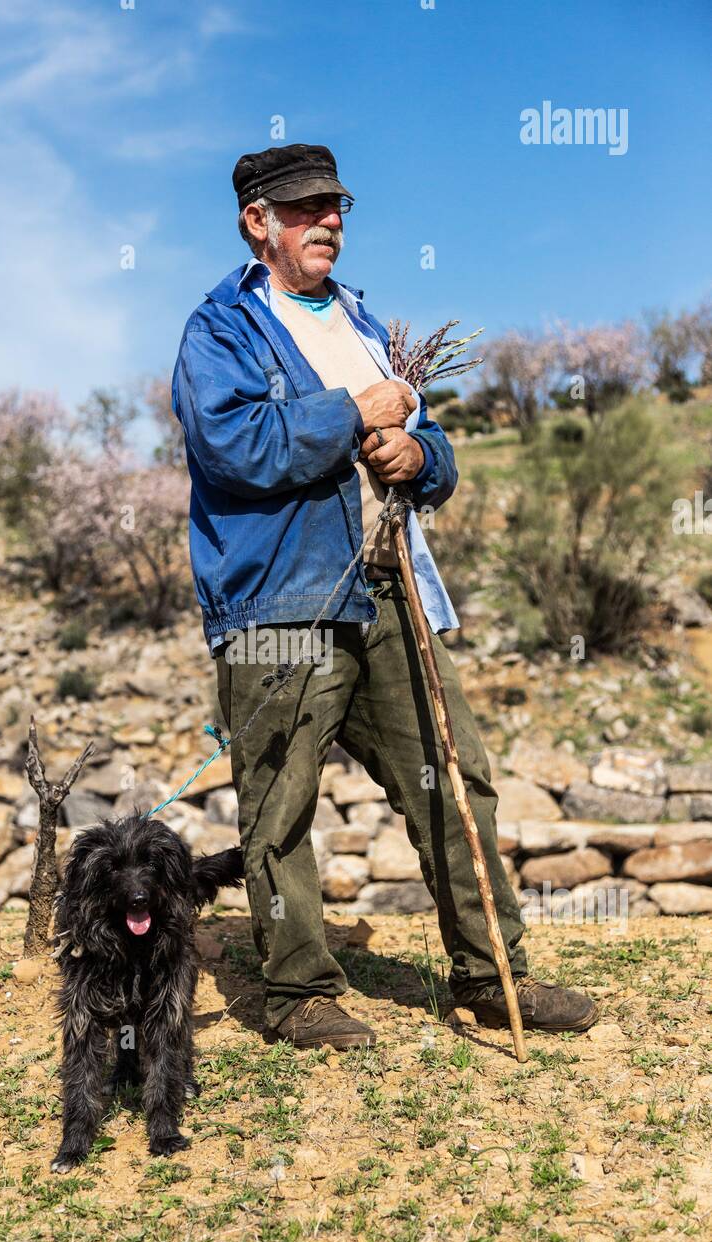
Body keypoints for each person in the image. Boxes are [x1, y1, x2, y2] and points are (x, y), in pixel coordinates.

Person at [171, 143, 598, 1047]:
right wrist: (349, 415)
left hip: (389, 585)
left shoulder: (366, 325)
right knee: (280, 800)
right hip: (280, 604)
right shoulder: (222, 329)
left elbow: (429, 447)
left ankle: (491, 977)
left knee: (455, 776)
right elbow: (233, 447)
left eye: (335, 206)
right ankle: (296, 991)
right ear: (259, 222)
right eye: (303, 209)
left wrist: (421, 456)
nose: (326, 221)